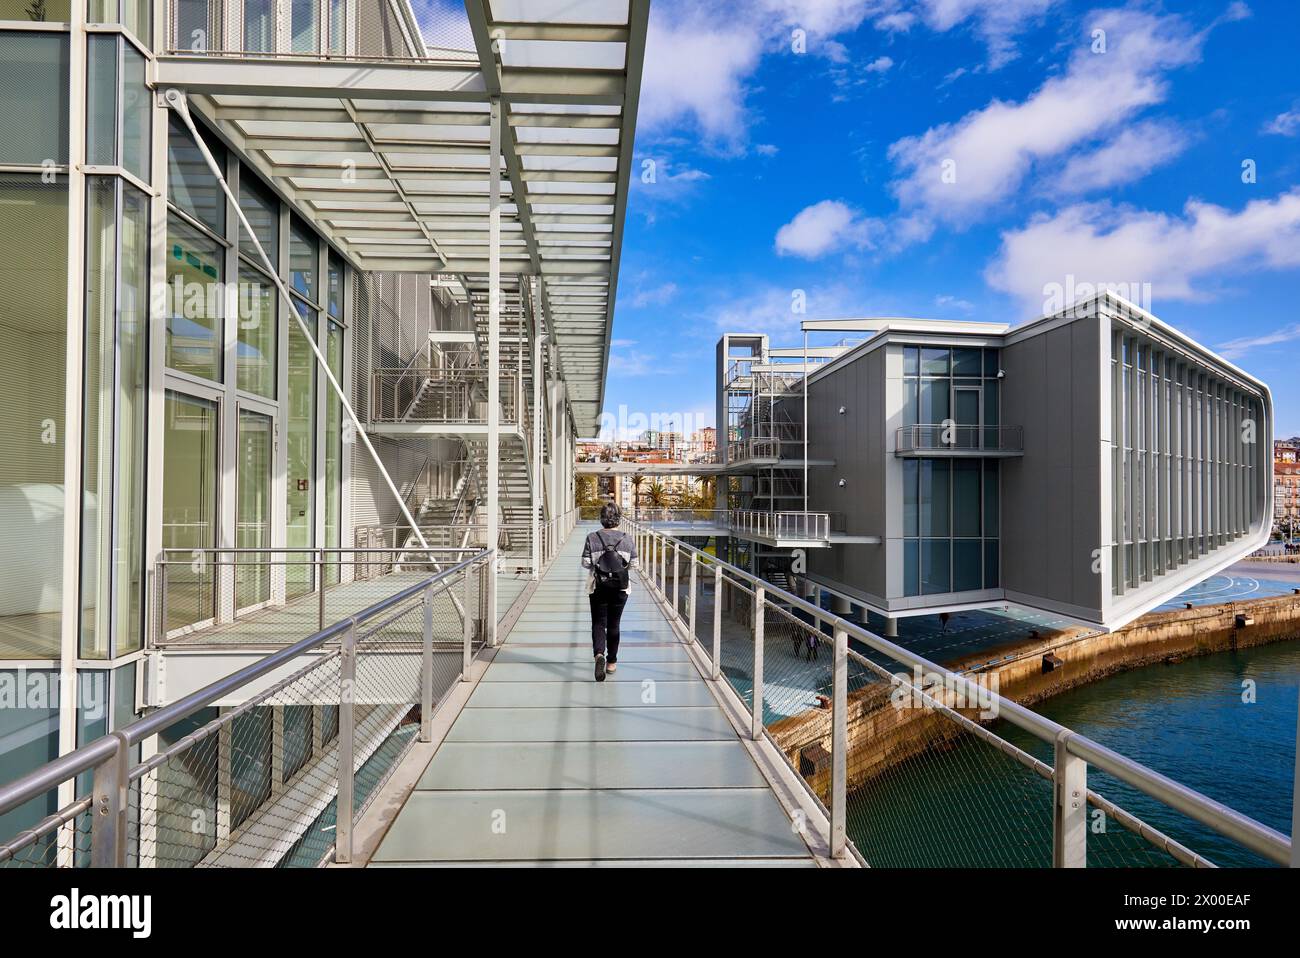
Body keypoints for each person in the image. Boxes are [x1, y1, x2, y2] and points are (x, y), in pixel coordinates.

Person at [581, 502, 638, 682]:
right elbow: (634, 564)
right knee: (614, 624)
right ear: (618, 519)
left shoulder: (592, 537)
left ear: (602, 519)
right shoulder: (627, 538)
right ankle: (611, 662)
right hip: (620, 587)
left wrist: (600, 564)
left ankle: (599, 654)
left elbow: (585, 563)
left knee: (598, 622)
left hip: (598, 586)